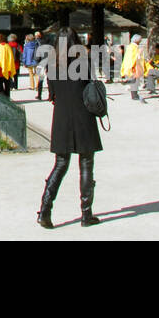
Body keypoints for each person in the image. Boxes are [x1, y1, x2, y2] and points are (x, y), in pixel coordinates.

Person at [38, 29, 102, 229]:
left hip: (62, 117)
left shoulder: (51, 64)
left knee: (60, 164)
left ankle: (45, 210)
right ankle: (86, 214)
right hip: (83, 115)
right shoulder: (84, 60)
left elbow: (52, 95)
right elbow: (89, 86)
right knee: (86, 163)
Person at [120, 34, 144, 101]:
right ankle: (134, 95)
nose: (141, 41)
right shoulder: (134, 47)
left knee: (134, 80)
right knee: (135, 81)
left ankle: (134, 94)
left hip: (129, 65)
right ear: (137, 40)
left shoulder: (130, 46)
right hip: (133, 66)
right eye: (140, 39)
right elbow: (134, 57)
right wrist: (140, 53)